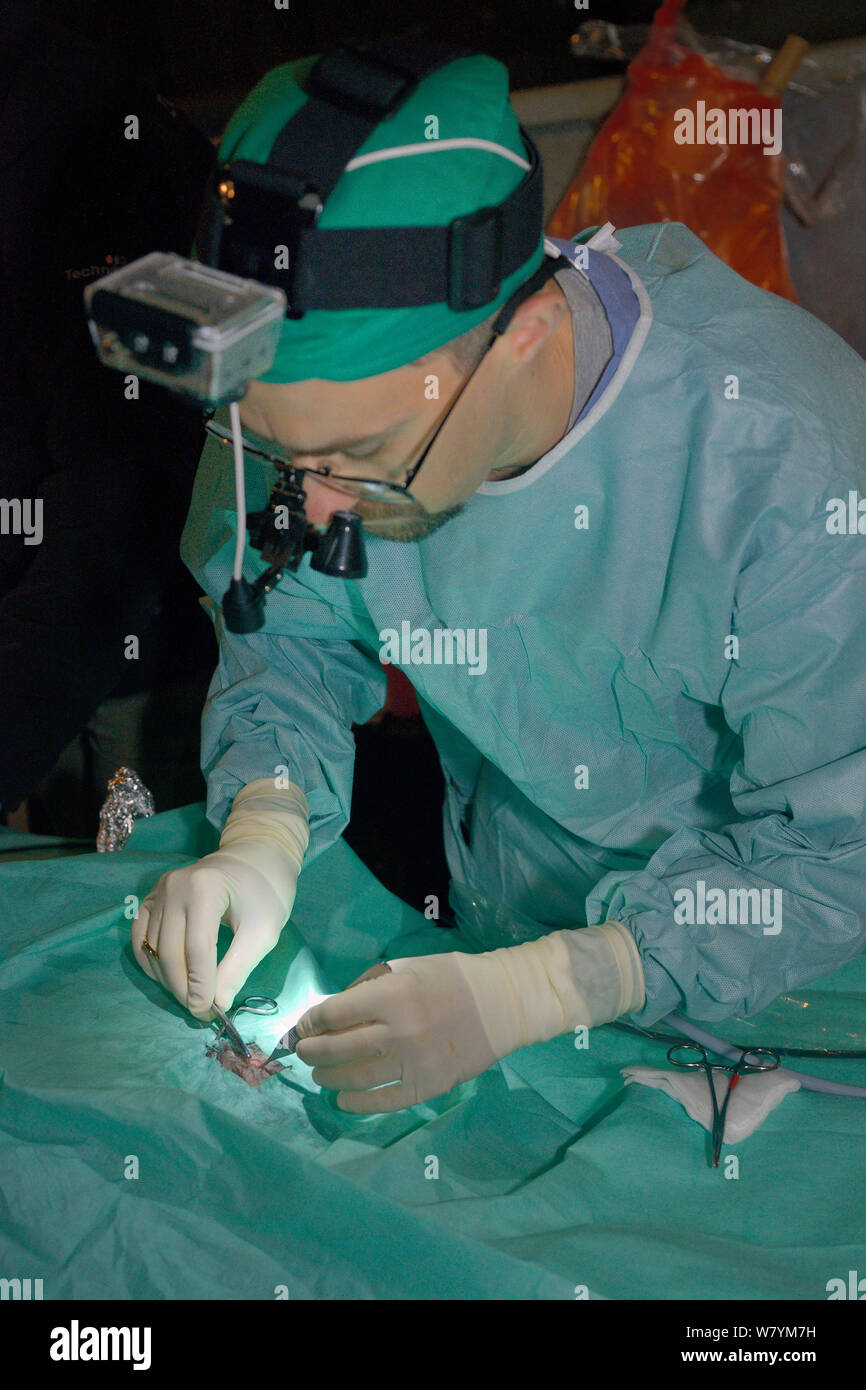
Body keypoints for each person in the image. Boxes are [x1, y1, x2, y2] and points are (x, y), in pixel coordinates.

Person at [132, 48, 866, 1115]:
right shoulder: (306, 420)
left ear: (520, 336)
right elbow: (284, 632)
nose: (315, 507)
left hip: (801, 1014)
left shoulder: (786, 476)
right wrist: (263, 827)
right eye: (281, 459)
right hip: (500, 933)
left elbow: (839, 853)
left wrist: (558, 984)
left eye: (357, 461)